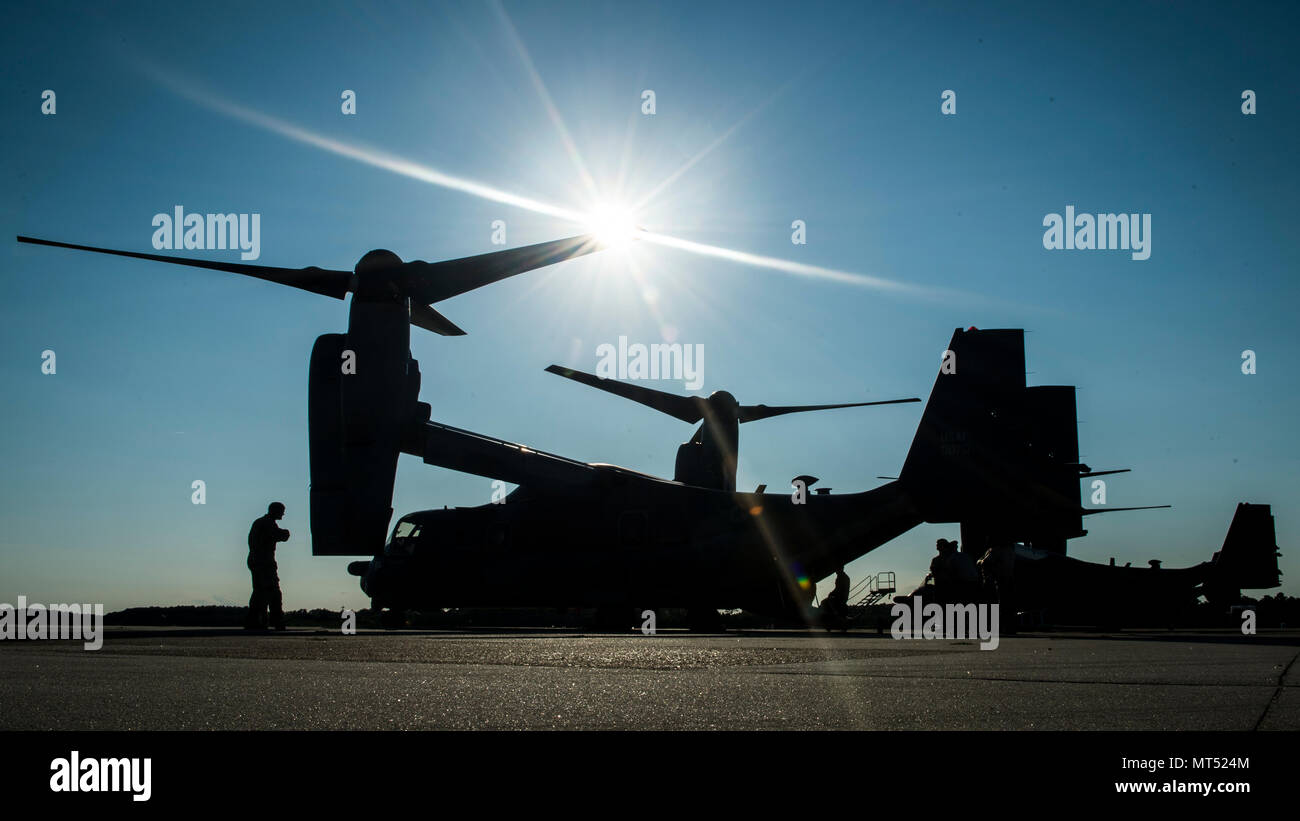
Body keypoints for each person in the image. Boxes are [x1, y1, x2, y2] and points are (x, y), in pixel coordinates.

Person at [246, 502, 290, 630]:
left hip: (257, 560)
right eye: (282, 511)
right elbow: (280, 535)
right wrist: (286, 533)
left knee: (260, 592)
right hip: (264, 562)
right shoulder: (267, 523)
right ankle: (275, 620)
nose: (283, 514)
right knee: (273, 592)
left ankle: (256, 620)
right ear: (275, 511)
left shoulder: (260, 522)